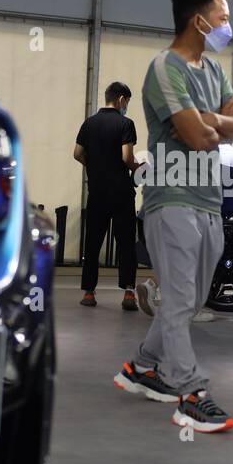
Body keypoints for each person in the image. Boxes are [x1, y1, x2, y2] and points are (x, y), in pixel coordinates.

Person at [113, 0, 233, 433]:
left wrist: (206, 123)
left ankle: (140, 368)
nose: (227, 25)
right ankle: (191, 394)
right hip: (170, 199)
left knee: (189, 300)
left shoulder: (213, 72)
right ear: (198, 20)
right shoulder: (164, 67)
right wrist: (209, 127)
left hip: (208, 200)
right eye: (222, 17)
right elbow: (196, 138)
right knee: (176, 299)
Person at [74, 81, 139, 310]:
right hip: (121, 193)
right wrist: (137, 168)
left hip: (97, 192)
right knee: (126, 243)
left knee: (92, 242)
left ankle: (89, 293)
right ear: (121, 100)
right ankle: (129, 293)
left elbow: (77, 153)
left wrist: (94, 167)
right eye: (127, 102)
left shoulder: (89, 123)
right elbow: (126, 157)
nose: (127, 106)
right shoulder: (126, 124)